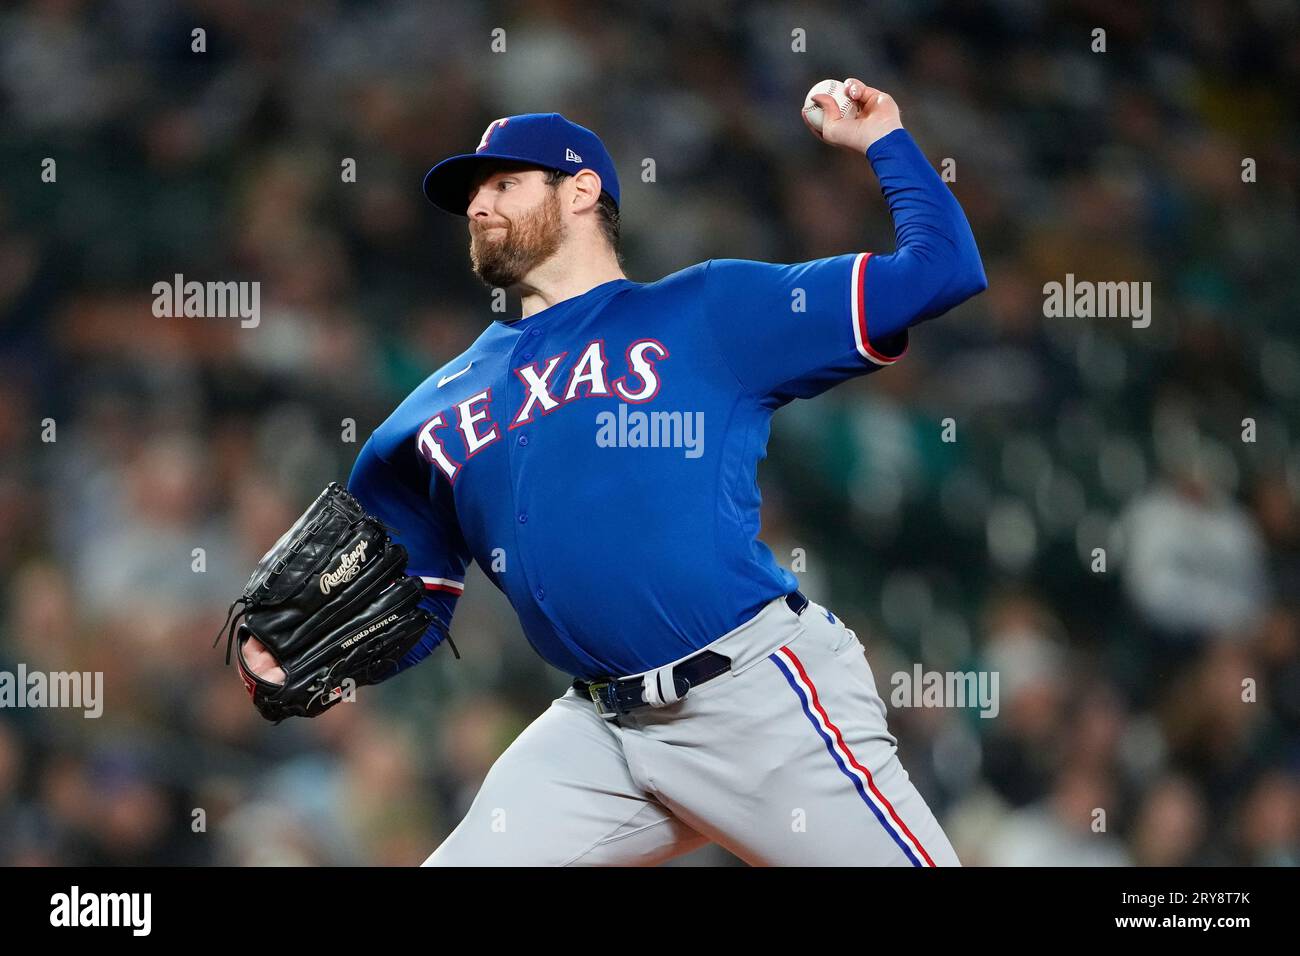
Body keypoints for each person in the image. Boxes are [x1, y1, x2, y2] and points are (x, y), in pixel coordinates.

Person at [242, 78, 986, 865]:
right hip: (600, 735)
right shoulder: (433, 409)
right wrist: (305, 657)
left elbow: (941, 270)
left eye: (504, 183)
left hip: (756, 701)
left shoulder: (706, 309)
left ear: (581, 191)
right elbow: (410, 609)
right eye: (472, 195)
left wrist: (886, 142)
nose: (479, 206)